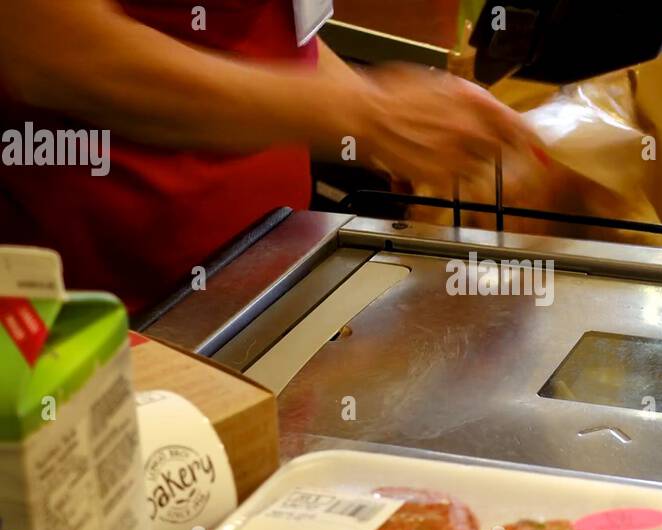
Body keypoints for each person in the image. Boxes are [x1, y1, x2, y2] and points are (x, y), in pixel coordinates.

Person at [0, 0, 535, 313]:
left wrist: (402, 126)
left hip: (268, 279)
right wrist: (369, 116)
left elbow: (274, 32)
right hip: (99, 317)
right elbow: (51, 54)